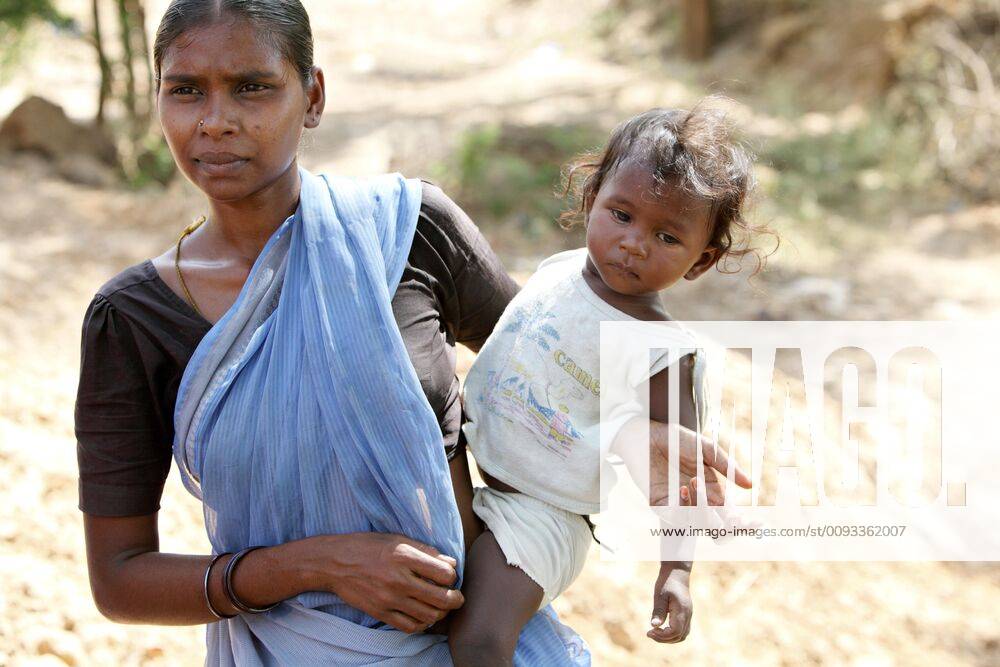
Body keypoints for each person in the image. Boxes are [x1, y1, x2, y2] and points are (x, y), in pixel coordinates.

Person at [74, 1, 742, 664]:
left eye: (252, 87)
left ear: (312, 97)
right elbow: (121, 578)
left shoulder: (408, 233)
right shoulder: (134, 320)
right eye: (186, 91)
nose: (217, 121)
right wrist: (311, 565)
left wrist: (639, 434)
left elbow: (547, 367)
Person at [448, 105, 766, 665]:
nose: (635, 243)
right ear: (591, 198)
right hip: (470, 461)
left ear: (702, 260)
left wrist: (677, 573)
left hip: (541, 515)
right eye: (621, 215)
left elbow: (679, 478)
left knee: (477, 639)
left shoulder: (664, 353)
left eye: (667, 236)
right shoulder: (562, 269)